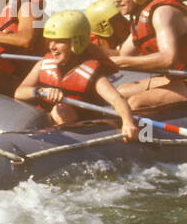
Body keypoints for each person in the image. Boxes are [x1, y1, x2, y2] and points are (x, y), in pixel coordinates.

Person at [14, 10, 138, 141]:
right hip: (44, 124)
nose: (52, 46)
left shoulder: (92, 73)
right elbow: (19, 92)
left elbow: (117, 99)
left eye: (59, 41)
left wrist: (128, 122)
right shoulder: (43, 64)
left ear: (77, 43)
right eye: (50, 41)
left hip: (80, 130)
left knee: (61, 110)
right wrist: (40, 91)